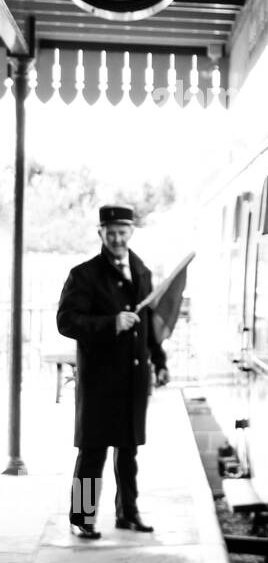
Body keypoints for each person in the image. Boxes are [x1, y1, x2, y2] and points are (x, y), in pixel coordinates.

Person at [57, 205, 169, 539]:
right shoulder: (84, 274)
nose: (117, 238)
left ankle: (128, 513)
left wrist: (160, 362)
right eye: (111, 232)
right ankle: (82, 517)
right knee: (93, 451)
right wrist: (111, 323)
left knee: (129, 450)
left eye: (123, 232)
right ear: (101, 233)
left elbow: (148, 325)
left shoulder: (142, 270)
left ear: (131, 232)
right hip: (99, 380)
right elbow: (67, 321)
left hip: (133, 380)